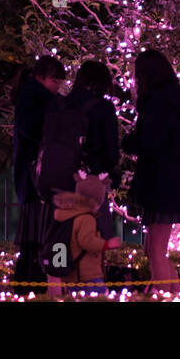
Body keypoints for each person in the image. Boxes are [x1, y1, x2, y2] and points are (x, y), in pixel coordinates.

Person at [121, 49, 180, 294]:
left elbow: (150, 143)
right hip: (179, 181)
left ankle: (167, 296)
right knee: (154, 249)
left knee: (154, 250)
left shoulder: (156, 101)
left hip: (159, 183)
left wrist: (125, 142)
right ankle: (172, 294)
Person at [12, 55, 68, 292]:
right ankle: (38, 287)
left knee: (34, 239)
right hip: (40, 181)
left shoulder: (33, 98)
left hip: (35, 181)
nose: (58, 86)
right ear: (40, 77)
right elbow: (32, 132)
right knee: (45, 236)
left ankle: (28, 286)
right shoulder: (37, 101)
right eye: (55, 80)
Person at [65, 60, 121, 239]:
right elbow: (111, 152)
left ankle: (61, 264)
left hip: (62, 176)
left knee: (65, 236)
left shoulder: (61, 103)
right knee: (95, 235)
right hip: (92, 178)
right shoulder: (103, 108)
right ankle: (92, 266)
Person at [49, 173, 122, 296]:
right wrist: (107, 244)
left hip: (73, 274)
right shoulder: (86, 218)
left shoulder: (70, 214)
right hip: (87, 273)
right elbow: (87, 241)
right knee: (101, 295)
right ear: (96, 201)